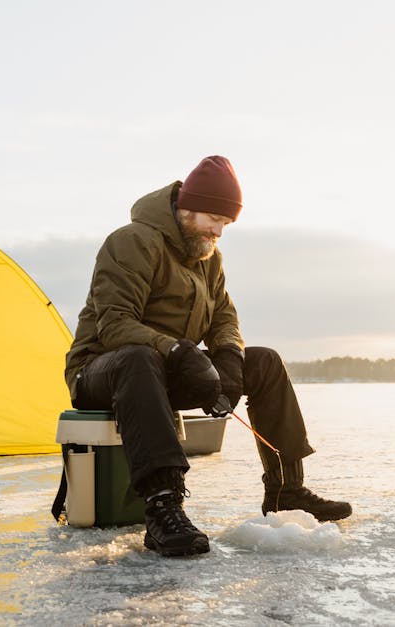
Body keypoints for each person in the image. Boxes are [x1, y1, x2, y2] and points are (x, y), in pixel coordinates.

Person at [64, 156, 353, 557]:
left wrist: (229, 358)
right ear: (186, 206)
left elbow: (223, 316)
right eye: (214, 219)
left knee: (264, 361)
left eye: (226, 224)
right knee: (138, 358)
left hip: (163, 369)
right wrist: (179, 350)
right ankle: (163, 505)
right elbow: (114, 325)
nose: (219, 231)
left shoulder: (209, 256)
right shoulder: (131, 242)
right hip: (102, 369)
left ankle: (287, 490)